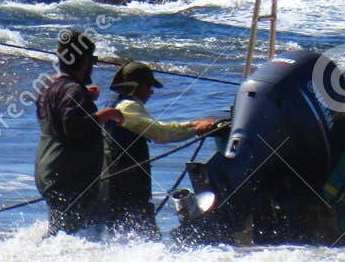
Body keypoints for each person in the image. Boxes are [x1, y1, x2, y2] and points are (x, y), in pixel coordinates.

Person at [102, 62, 221, 234]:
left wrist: (193, 124)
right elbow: (160, 133)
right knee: (145, 235)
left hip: (116, 184)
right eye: (149, 86)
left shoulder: (118, 104)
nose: (151, 91)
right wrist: (195, 128)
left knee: (121, 234)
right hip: (128, 187)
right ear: (137, 87)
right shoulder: (128, 107)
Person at [34, 30, 124, 234]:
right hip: (68, 175)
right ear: (84, 61)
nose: (92, 65)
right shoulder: (73, 90)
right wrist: (106, 114)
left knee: (62, 233)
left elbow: (57, 116)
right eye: (92, 59)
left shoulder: (48, 87)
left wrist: (84, 97)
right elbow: (73, 127)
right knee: (71, 236)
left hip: (48, 170)